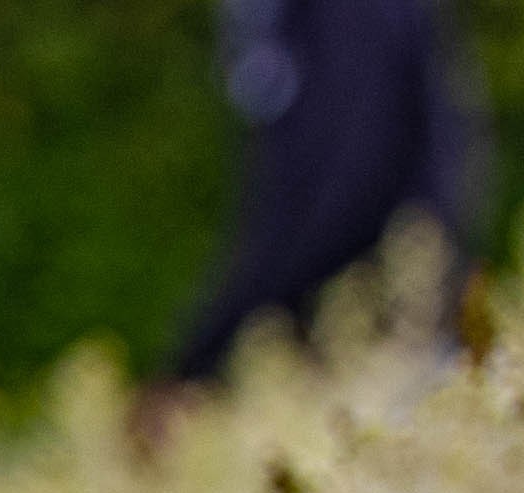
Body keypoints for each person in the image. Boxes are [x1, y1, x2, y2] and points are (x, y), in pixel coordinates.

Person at [172, 0, 486, 380]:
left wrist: (210, 351)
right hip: (393, 304)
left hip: (372, 326)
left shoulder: (342, 17)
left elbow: (341, 183)